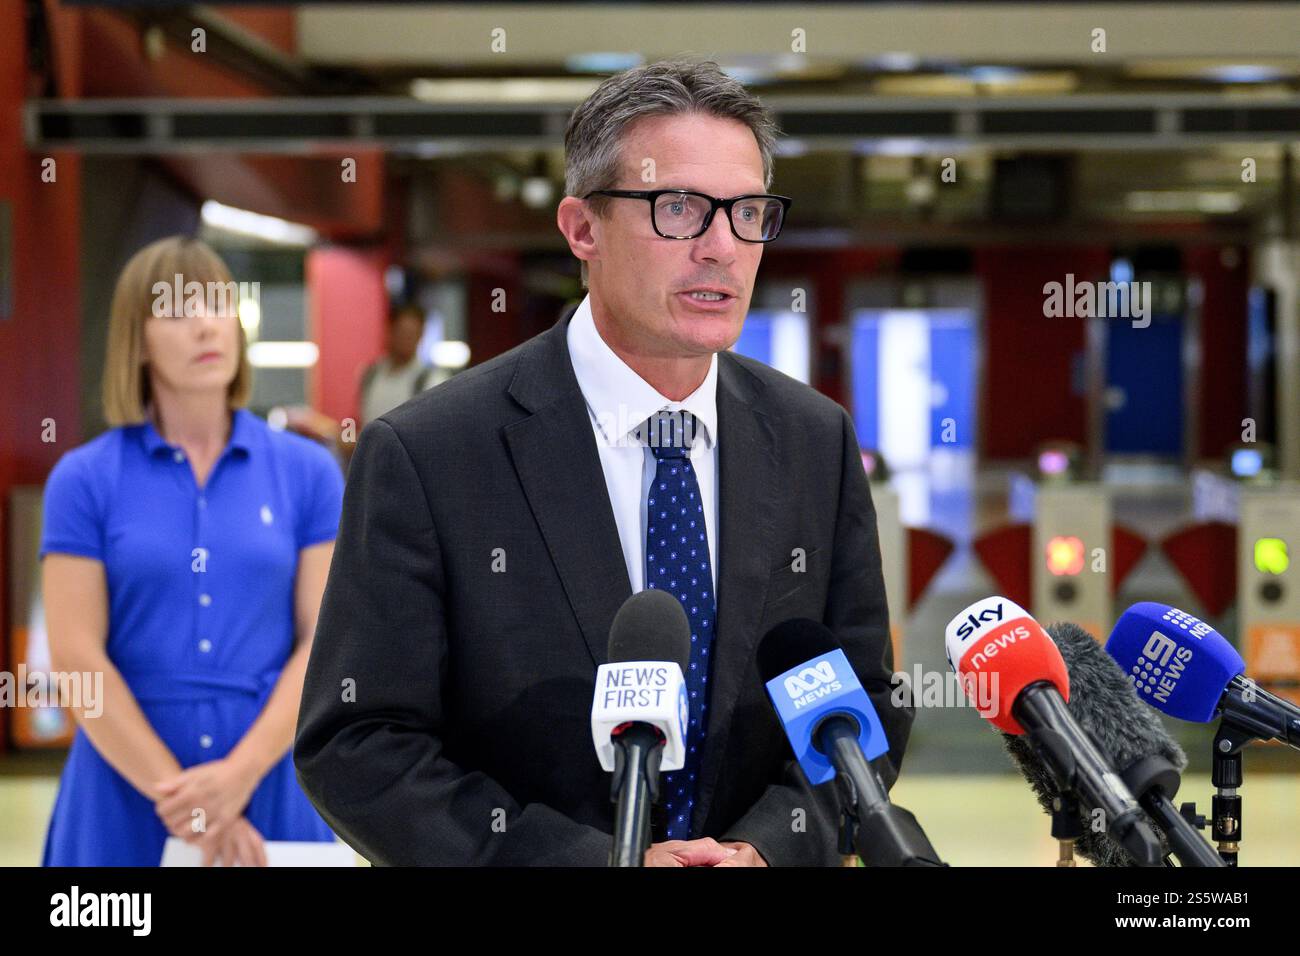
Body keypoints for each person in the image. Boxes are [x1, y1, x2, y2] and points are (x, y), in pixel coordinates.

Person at [295, 58, 913, 867]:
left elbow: (858, 701)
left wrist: (767, 848)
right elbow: (358, 743)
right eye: (681, 208)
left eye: (749, 211)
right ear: (582, 228)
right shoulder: (431, 454)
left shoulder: (813, 441)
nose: (723, 248)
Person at [39, 236, 344, 866]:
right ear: (136, 341)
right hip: (124, 785)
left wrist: (234, 780)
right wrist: (190, 806)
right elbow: (74, 656)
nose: (205, 324)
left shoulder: (309, 472)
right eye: (177, 310)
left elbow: (325, 642)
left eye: (217, 304)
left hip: (268, 773)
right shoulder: (83, 479)